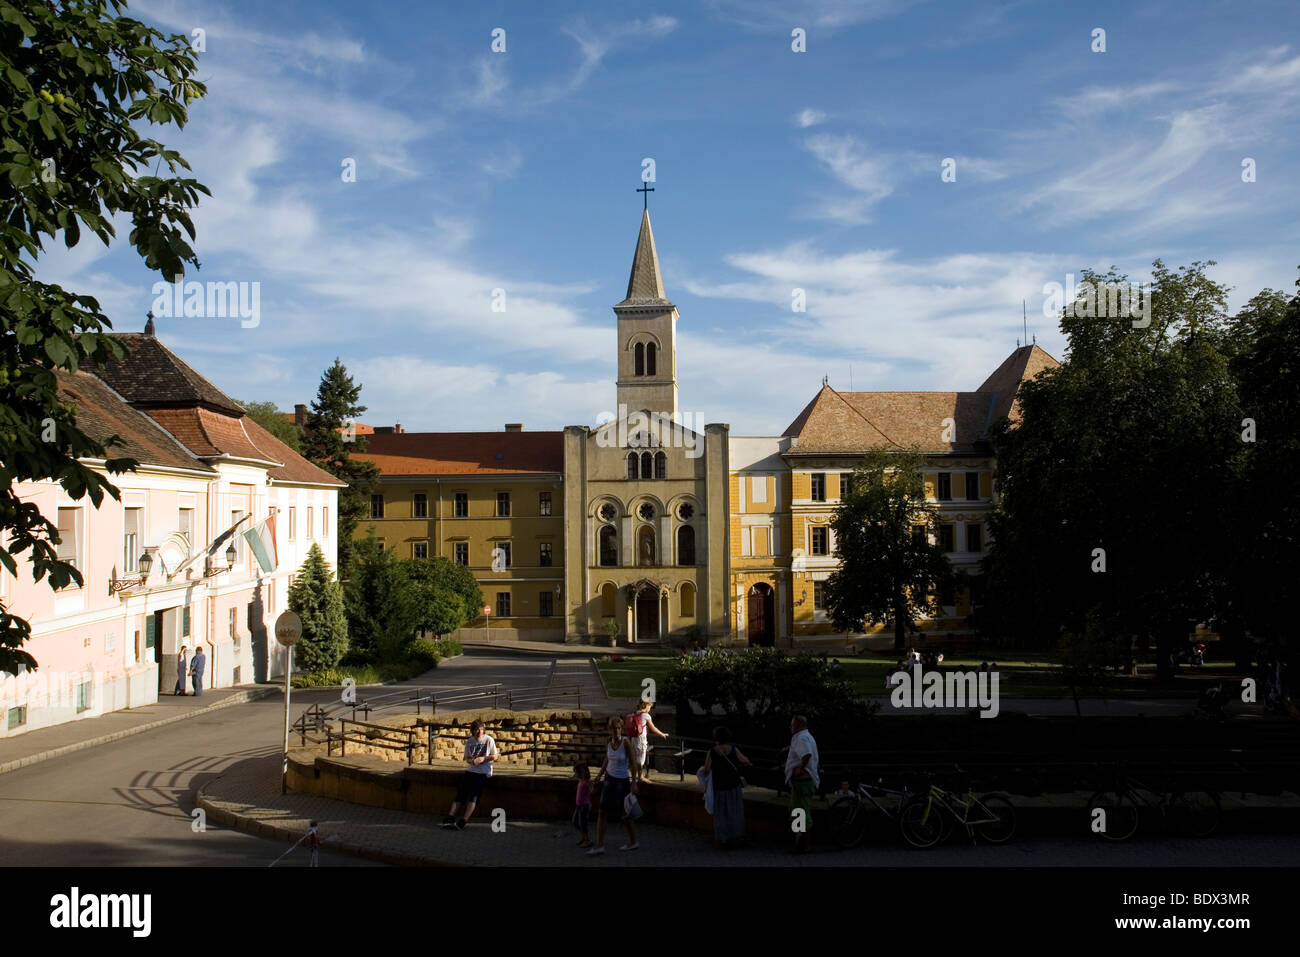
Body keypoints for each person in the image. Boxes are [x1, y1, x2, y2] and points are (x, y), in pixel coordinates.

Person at [589, 715, 638, 855]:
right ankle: (599, 845)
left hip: (622, 781)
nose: (616, 731)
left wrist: (634, 782)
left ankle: (633, 841)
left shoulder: (626, 743)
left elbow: (633, 763)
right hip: (609, 779)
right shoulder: (608, 742)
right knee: (602, 811)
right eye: (614, 728)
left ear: (621, 729)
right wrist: (599, 776)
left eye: (618, 728)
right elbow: (607, 759)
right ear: (609, 730)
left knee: (625, 813)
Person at [443, 719, 498, 829]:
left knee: (474, 796)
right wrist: (472, 761)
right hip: (471, 770)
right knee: (461, 794)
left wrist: (483, 758)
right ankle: (451, 816)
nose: (479, 732)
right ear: (472, 731)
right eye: (477, 730)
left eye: (481, 730)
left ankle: (464, 820)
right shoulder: (470, 741)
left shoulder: (489, 740)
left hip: (483, 772)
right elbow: (467, 758)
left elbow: (495, 756)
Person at [702, 725, 750, 848]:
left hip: (719, 785)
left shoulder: (712, 751)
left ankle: (723, 838)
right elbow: (744, 760)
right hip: (733, 784)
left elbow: (706, 770)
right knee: (735, 812)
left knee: (721, 814)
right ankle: (736, 836)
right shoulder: (733, 749)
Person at [783, 715, 820, 854]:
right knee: (799, 811)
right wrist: (789, 749)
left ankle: (804, 845)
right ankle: (800, 841)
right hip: (804, 783)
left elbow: (806, 754)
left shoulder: (801, 738)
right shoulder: (805, 736)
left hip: (802, 783)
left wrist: (800, 769)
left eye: (792, 725)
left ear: (799, 725)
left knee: (801, 812)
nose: (791, 727)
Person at [627, 699, 669, 782]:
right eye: (650, 707)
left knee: (634, 758)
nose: (650, 709)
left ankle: (635, 776)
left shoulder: (634, 714)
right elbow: (653, 728)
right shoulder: (646, 715)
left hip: (633, 739)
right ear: (646, 706)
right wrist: (662, 734)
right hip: (641, 740)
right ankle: (640, 777)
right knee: (640, 760)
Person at [573, 764, 593, 848]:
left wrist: (591, 787)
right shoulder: (580, 780)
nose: (576, 775)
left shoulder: (587, 782)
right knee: (575, 822)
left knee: (583, 823)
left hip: (585, 806)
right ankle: (583, 837)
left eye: (577, 773)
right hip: (579, 805)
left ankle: (587, 840)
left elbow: (592, 789)